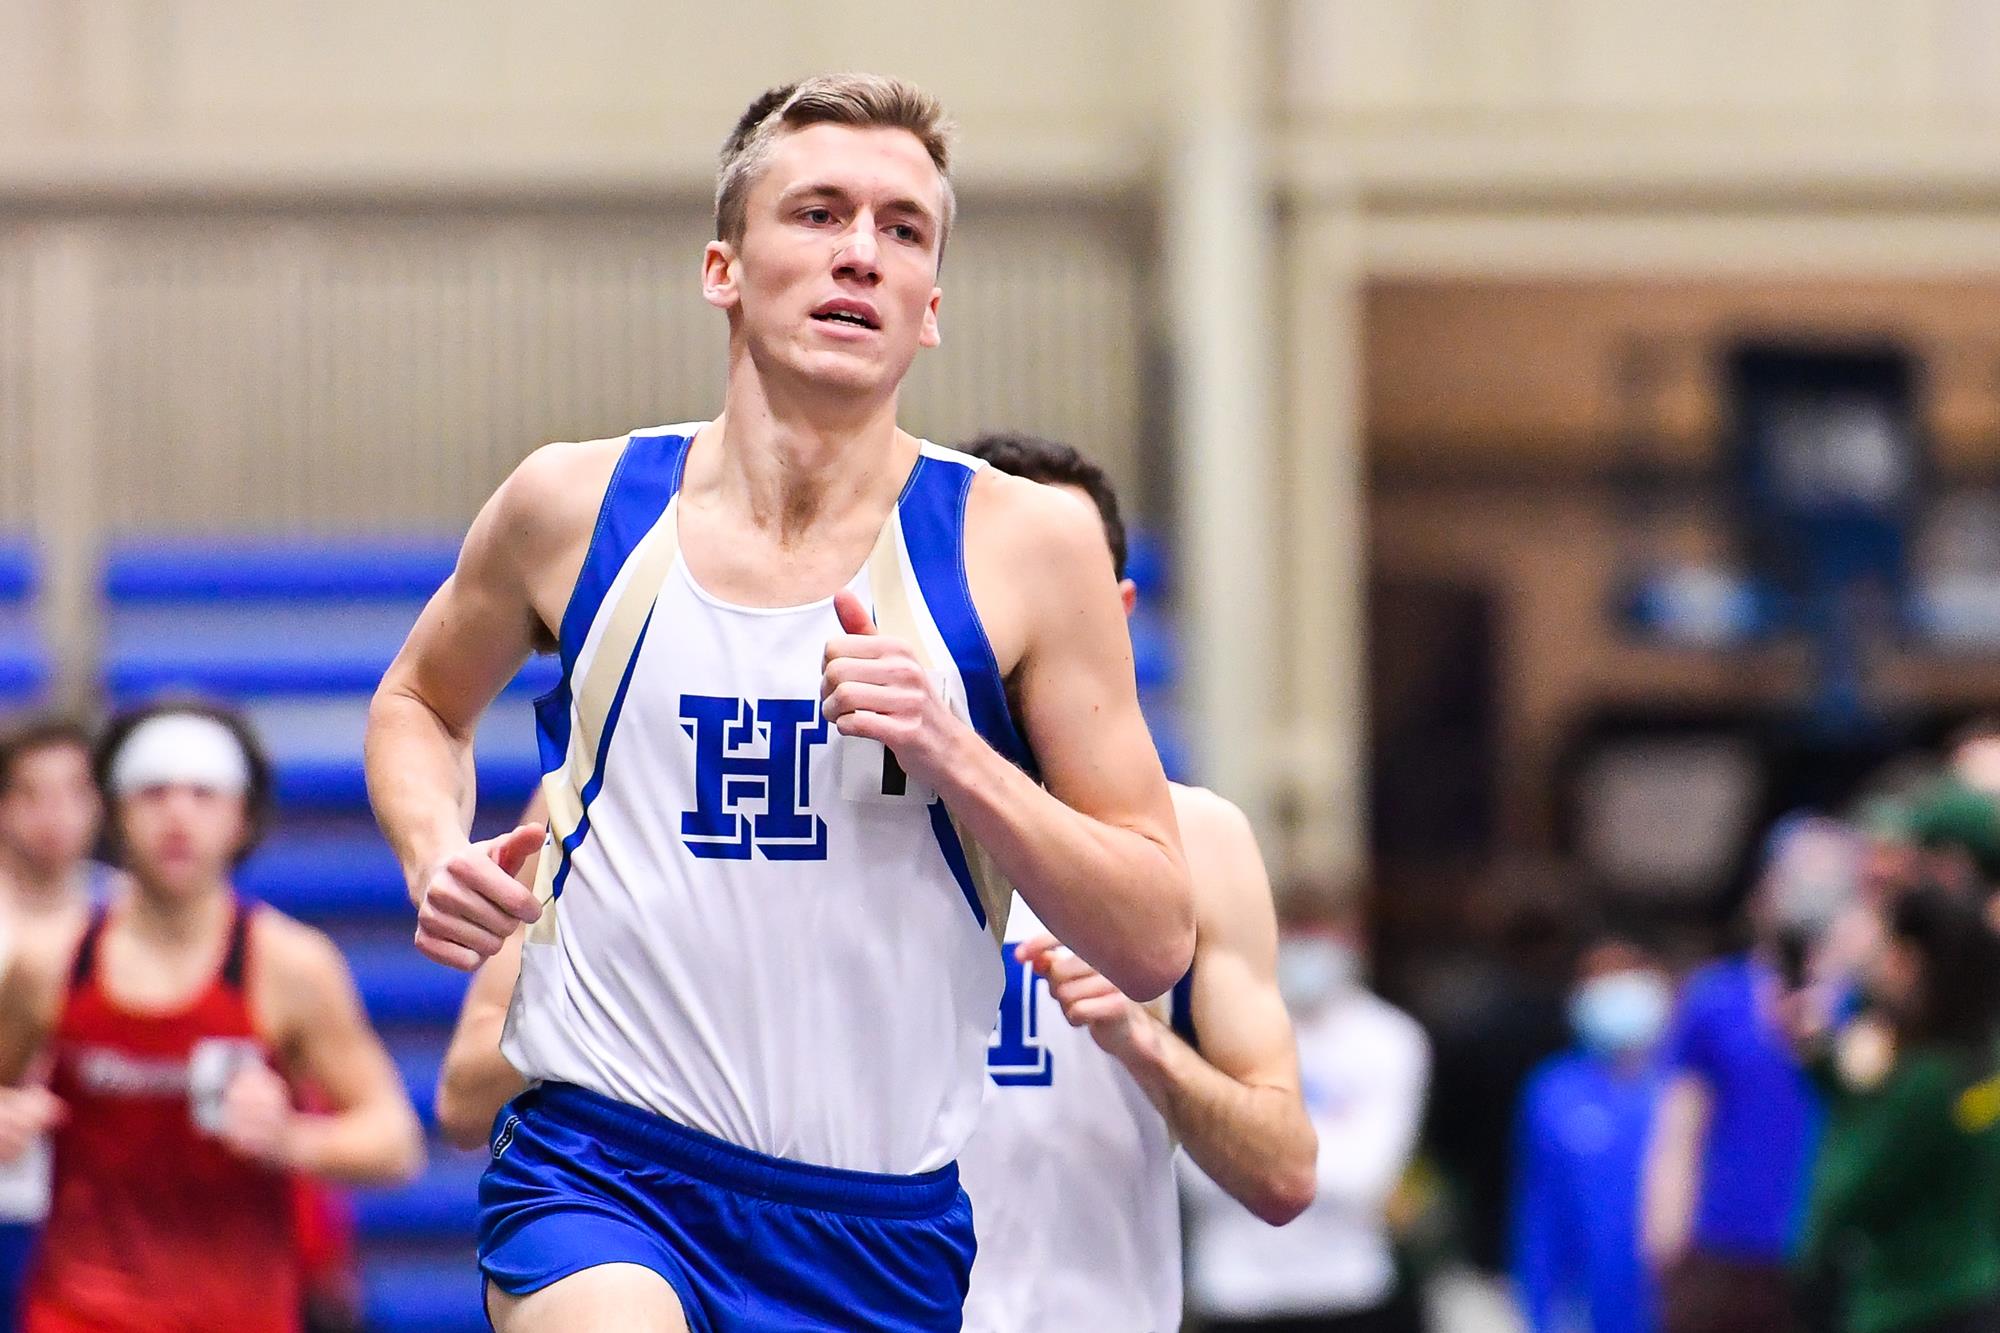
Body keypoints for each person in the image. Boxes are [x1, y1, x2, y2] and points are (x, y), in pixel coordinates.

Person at [365, 74, 1193, 1333]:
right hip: (605, 1163)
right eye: (816, 213)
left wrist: (957, 753)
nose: (859, 251)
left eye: (901, 230)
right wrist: (434, 849)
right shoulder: (572, 507)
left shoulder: (1023, 547)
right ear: (723, 267)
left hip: (871, 1223)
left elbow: (1149, 935)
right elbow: (420, 701)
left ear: (930, 311)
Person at [429, 435, 1312, 1333]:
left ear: (1112, 609)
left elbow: (1284, 1175)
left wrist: (1147, 1045)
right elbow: (465, 1094)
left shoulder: (1192, 851)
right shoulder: (770, 787)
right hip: (783, 1241)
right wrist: (679, 984)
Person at [0, 701, 425, 1333]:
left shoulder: (290, 966)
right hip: (77, 1311)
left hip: (239, 1314)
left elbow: (395, 1142)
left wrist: (291, 1139)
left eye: (204, 794)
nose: (177, 816)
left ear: (242, 816)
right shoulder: (50, 963)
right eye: (153, 793)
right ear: (114, 811)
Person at [1182, 898, 1431, 1333]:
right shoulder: (1211, 1027)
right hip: (1237, 1291)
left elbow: (1367, 1177)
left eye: (1320, 937)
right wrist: (1309, 1154)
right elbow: (1195, 1173)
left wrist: (1252, 1155)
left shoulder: (1390, 1039)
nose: (1307, 952)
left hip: (1347, 1288)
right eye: (1294, 936)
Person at [1643, 820, 1828, 1333]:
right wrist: (1663, 1234)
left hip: (1825, 1249)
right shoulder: (1715, 998)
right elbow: (1681, 1122)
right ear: (1762, 894)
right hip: (1723, 1248)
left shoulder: (1860, 1004)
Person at [1791, 885, 2000, 1333]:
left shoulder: (1925, 1082)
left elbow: (1850, 1189)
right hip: (1973, 1292)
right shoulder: (1983, 1067)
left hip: (1910, 1303)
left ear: (1911, 961)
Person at [1511, 931, 1675, 1333]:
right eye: (1600, 983)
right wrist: (1540, 1311)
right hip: (1589, 1307)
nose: (1616, 995)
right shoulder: (1553, 1089)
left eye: (1627, 979)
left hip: (1678, 1299)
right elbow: (1538, 1212)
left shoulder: (1687, 1086)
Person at [0, 720, 107, 1331]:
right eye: (30, 794)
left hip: (96, 1214)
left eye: (74, 792)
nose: (54, 815)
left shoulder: (133, 916)